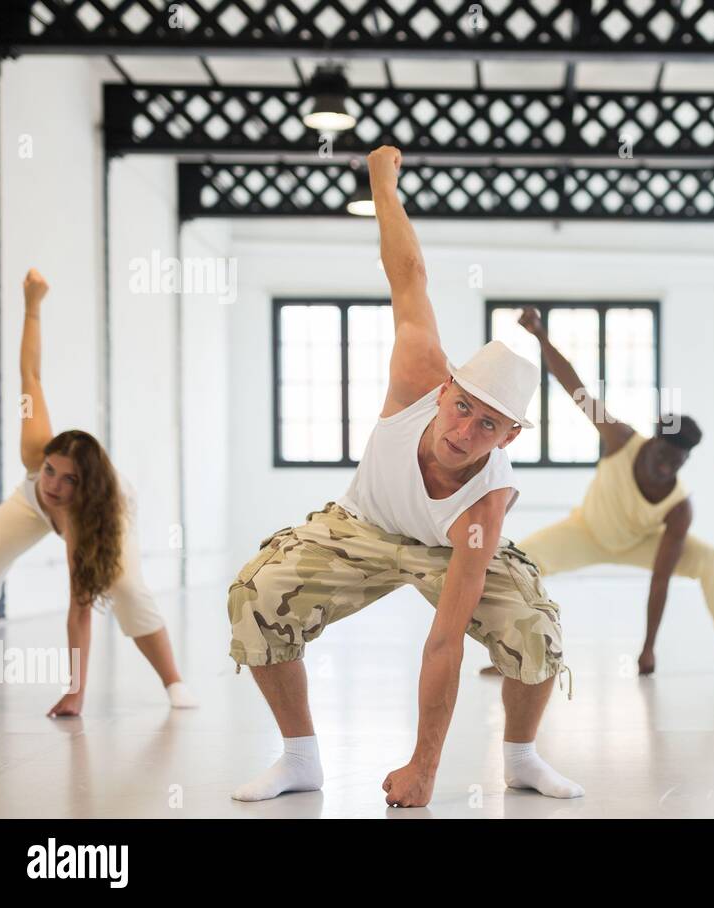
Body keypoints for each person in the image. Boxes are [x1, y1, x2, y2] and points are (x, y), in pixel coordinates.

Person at [227, 146, 580, 808]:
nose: (462, 431)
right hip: (361, 524)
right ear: (447, 388)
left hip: (450, 550)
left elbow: (445, 642)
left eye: (486, 427)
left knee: (536, 629)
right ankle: (300, 759)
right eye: (463, 406)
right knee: (258, 595)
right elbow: (408, 273)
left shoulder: (486, 504)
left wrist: (424, 766)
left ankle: (522, 758)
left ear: (511, 438)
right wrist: (382, 186)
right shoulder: (420, 369)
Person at [490, 306, 714, 676]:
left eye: (676, 463)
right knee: (518, 562)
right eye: (661, 456)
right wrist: (541, 336)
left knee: (711, 559)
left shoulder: (679, 508)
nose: (664, 468)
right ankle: (512, 656)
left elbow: (660, 580)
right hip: (585, 532)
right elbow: (576, 390)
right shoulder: (620, 438)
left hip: (641, 543)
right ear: (652, 441)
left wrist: (648, 649)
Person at [0, 269, 197, 716]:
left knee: (128, 590)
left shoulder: (95, 511)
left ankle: (174, 682)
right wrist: (33, 306)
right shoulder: (37, 458)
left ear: (86, 484)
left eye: (67, 479)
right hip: (28, 505)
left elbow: (79, 610)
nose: (55, 485)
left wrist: (76, 692)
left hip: (102, 516)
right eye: (51, 471)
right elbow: (30, 374)